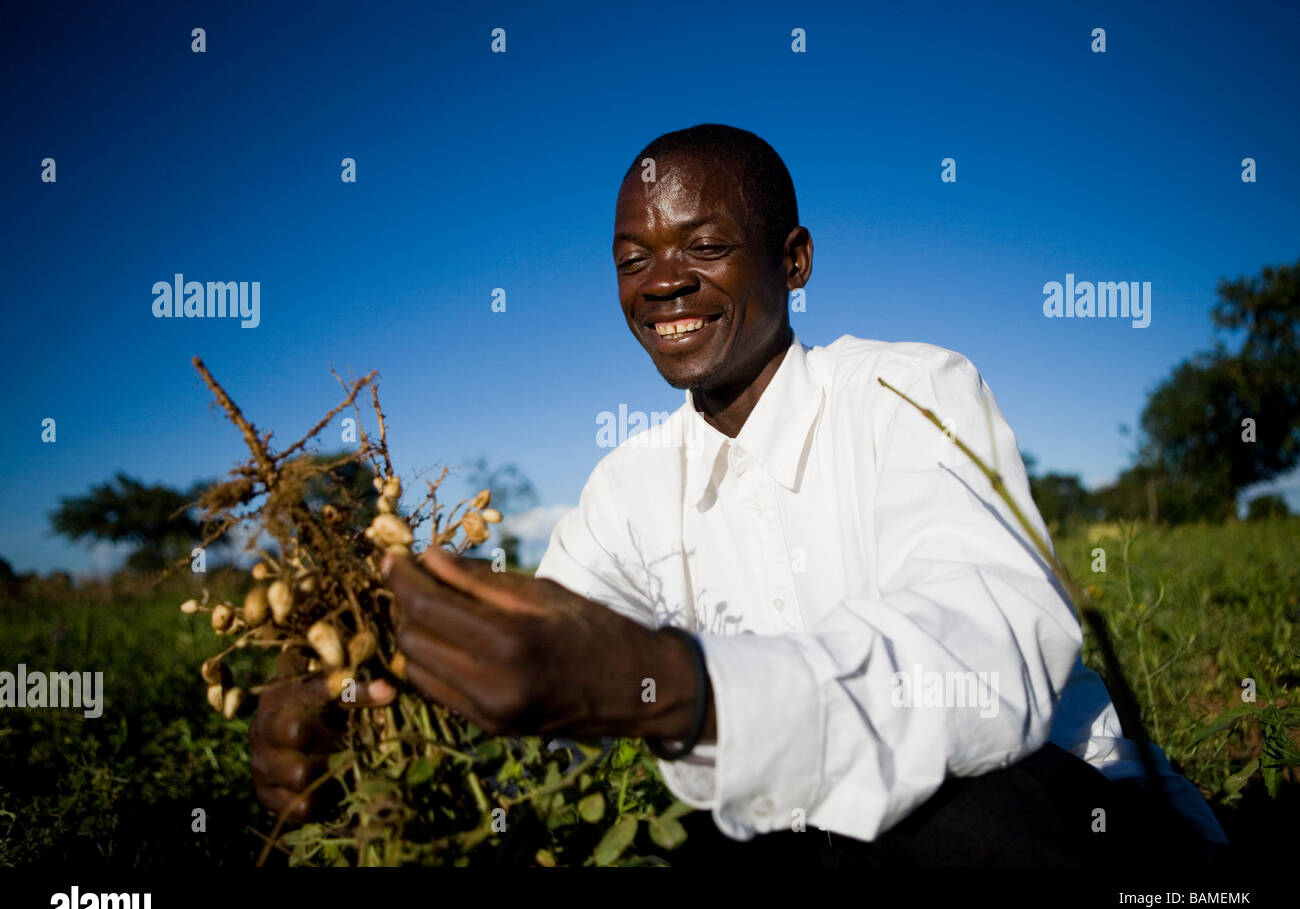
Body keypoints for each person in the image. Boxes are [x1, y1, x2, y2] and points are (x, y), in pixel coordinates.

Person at [250, 124, 1228, 865]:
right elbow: (544, 673)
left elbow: (981, 666)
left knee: (973, 813)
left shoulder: (911, 393)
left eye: (702, 246)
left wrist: (678, 681)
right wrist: (361, 716)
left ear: (793, 260)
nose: (661, 283)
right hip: (813, 833)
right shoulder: (629, 487)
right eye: (632, 260)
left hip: (1077, 809)